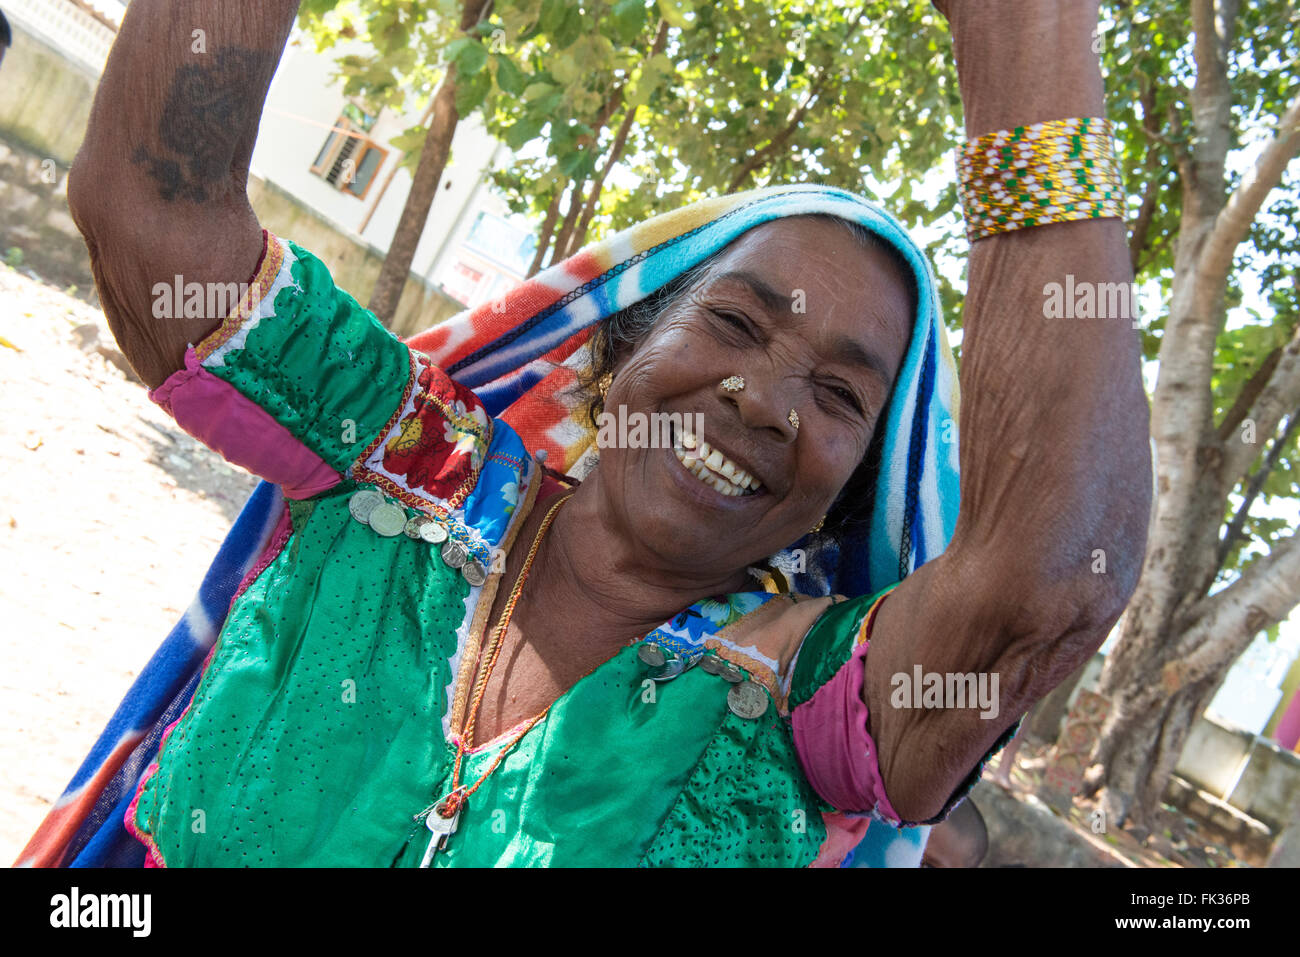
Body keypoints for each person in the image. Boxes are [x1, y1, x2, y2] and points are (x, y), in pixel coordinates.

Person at [31, 0, 1150, 867]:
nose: (764, 401)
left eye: (841, 398)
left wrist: (1026, 29)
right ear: (620, 358)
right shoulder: (402, 459)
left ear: (845, 496)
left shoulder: (799, 698)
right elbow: (155, 223)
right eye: (732, 323)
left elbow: (1050, 582)